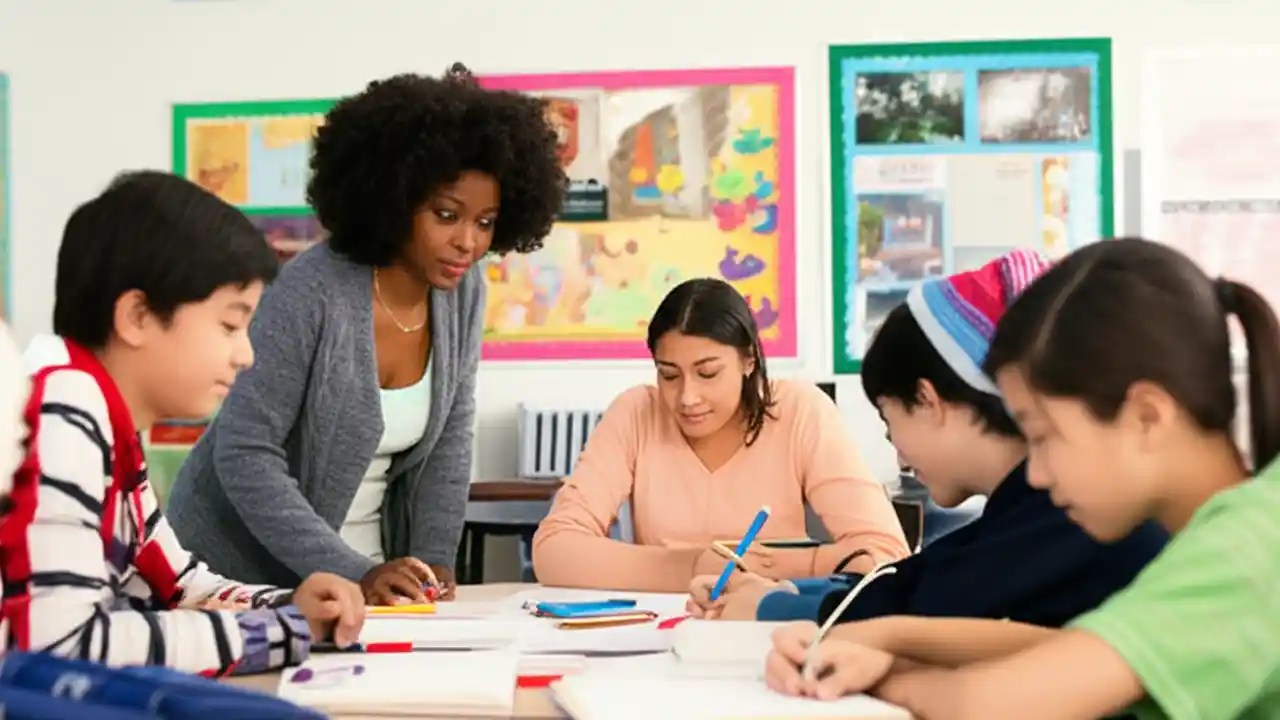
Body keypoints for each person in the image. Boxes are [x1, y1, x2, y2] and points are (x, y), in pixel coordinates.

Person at [765, 238, 1280, 719]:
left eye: (1044, 436)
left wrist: (879, 672)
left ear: (1147, 417)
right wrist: (883, 639)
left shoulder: (1247, 548)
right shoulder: (1229, 533)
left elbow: (985, 702)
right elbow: (1070, 646)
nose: (1034, 470)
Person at [166, 63, 566, 604]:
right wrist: (350, 570)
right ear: (396, 198)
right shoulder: (312, 290)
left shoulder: (462, 294)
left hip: (370, 577)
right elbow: (243, 452)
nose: (467, 241)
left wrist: (434, 564)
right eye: (447, 215)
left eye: (486, 222)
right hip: (245, 576)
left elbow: (450, 438)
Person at [0, 171, 364, 675]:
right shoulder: (61, 408)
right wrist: (285, 631)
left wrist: (289, 606)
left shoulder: (107, 423)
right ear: (137, 316)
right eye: (230, 325)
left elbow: (178, 585)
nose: (247, 355)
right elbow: (61, 648)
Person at [688, 250, 1166, 623]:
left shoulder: (1067, 511)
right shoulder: (1023, 510)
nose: (897, 456)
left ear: (928, 399)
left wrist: (777, 606)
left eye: (890, 424)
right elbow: (918, 578)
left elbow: (929, 603)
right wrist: (783, 594)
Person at [532, 278, 910, 592]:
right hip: (661, 634)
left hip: (772, 626)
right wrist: (695, 566)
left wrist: (761, 565)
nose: (687, 397)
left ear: (749, 361)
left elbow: (885, 553)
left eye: (708, 373)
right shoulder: (636, 413)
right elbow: (554, 550)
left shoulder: (799, 410)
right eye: (669, 374)